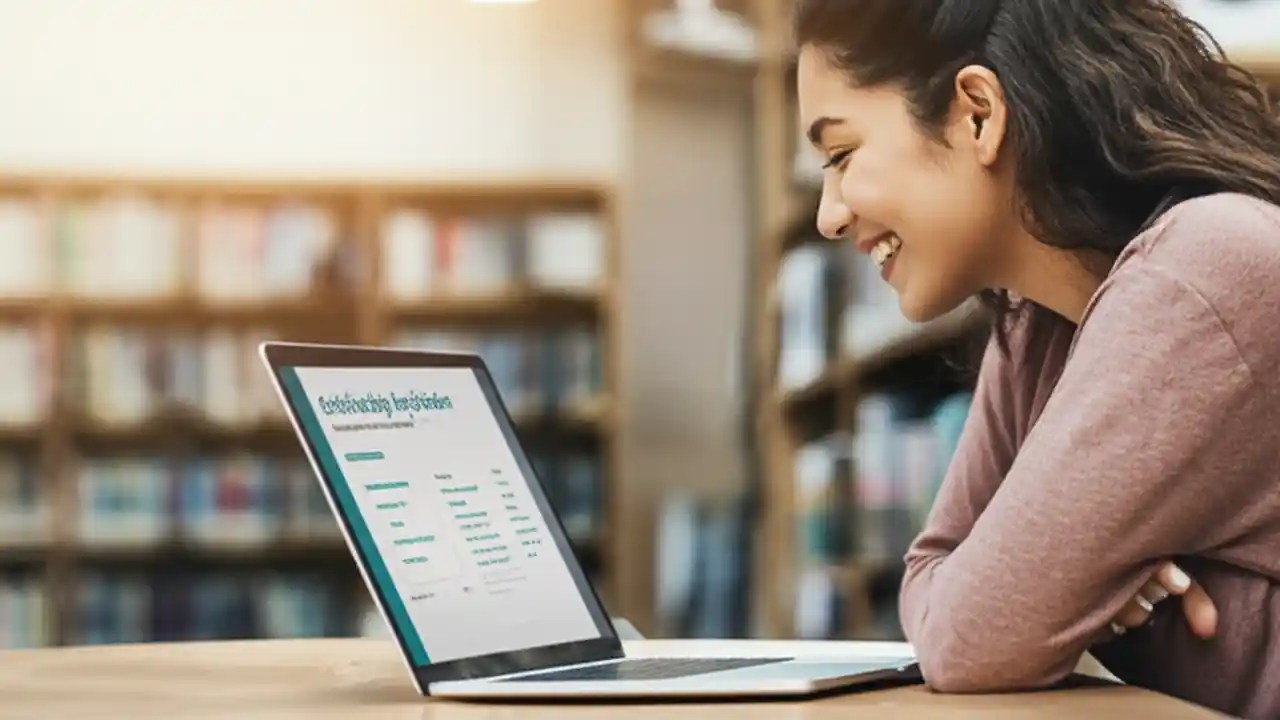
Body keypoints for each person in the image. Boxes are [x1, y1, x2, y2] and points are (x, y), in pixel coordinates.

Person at [792, 1, 1280, 717]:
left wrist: (1062, 590)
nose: (828, 215)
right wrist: (1094, 584)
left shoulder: (1203, 273)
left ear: (978, 115)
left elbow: (966, 641)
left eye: (842, 156)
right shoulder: (1038, 325)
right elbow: (929, 572)